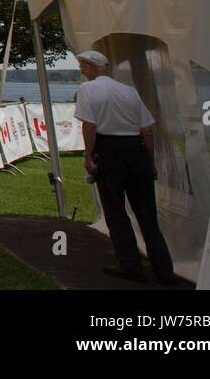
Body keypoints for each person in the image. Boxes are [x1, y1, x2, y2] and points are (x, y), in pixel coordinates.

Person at [75, 49, 176, 285]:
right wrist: (150, 161)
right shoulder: (129, 91)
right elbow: (147, 130)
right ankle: (164, 269)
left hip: (110, 149)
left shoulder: (87, 89)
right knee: (147, 212)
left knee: (116, 210)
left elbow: (89, 126)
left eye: (82, 66)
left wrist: (88, 156)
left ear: (91, 67)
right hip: (136, 148)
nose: (81, 70)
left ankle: (130, 265)